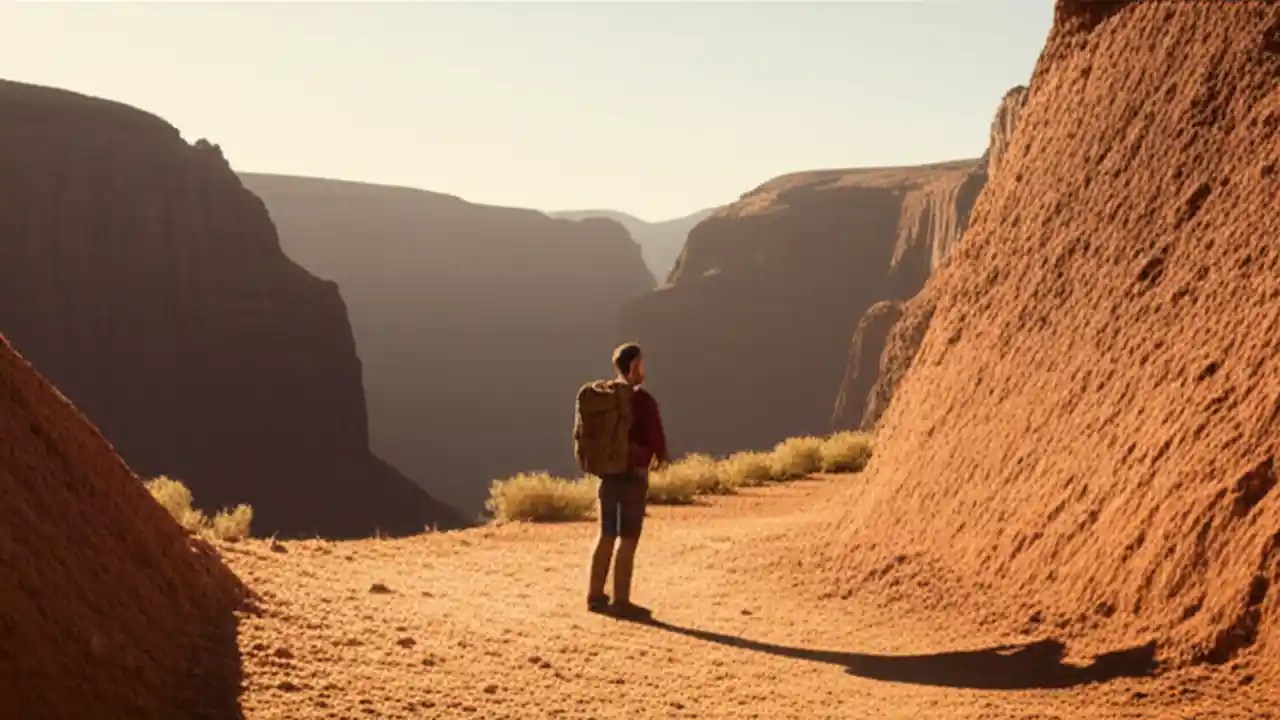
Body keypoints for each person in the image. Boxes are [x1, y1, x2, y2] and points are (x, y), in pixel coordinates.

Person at [582, 343, 668, 620]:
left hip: (607, 476)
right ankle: (621, 601)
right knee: (628, 538)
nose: (644, 369)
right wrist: (657, 459)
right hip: (632, 478)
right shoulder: (642, 401)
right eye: (641, 364)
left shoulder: (604, 400)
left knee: (606, 534)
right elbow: (656, 440)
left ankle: (595, 596)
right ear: (632, 367)